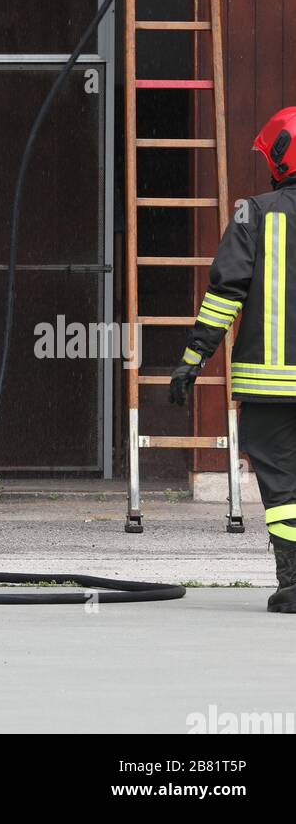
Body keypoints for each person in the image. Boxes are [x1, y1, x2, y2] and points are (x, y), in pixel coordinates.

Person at [170, 107, 296, 613]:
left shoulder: (254, 213)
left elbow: (225, 294)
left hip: (269, 388)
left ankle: (293, 582)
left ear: (280, 159)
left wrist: (191, 360)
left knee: (284, 485)